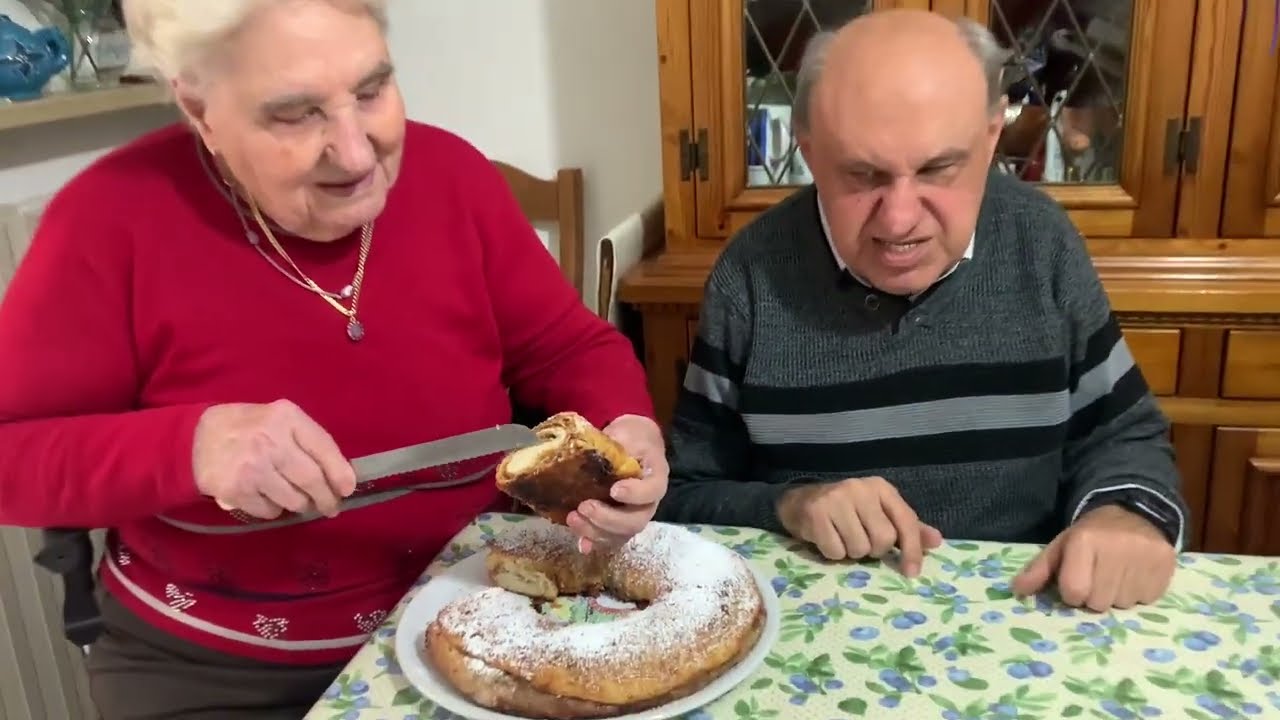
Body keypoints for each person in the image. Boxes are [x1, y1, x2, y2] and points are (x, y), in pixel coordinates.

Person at [0, 0, 668, 717]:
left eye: (372, 89)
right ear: (199, 108)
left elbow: (567, 345)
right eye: (295, 114)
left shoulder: (456, 178)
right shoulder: (107, 219)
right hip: (216, 673)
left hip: (477, 610)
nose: (356, 152)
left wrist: (627, 424)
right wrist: (188, 448)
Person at [654, 9, 1184, 613]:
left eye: (938, 168)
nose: (900, 220)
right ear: (808, 151)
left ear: (990, 139)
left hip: (1021, 614)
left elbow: (1124, 435)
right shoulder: (750, 274)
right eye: (862, 175)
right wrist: (789, 504)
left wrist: (1124, 517)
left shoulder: (1043, 244)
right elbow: (684, 495)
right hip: (817, 628)